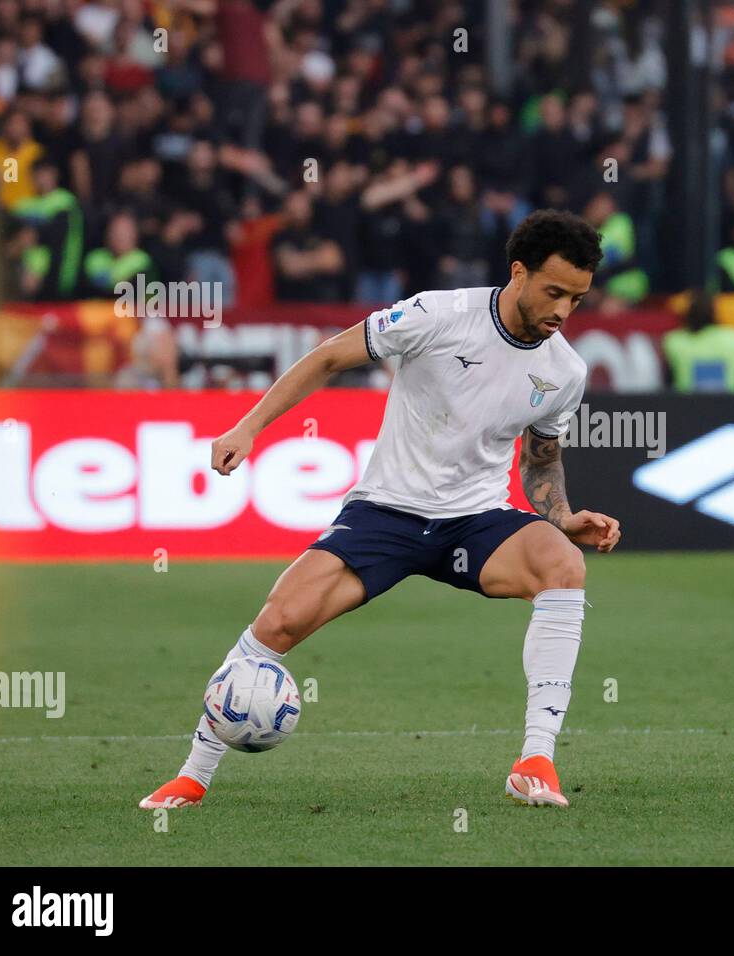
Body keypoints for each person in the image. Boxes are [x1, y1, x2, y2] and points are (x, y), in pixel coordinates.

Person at [139, 210, 621, 811]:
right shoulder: (437, 315)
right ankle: (194, 774)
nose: (563, 312)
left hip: (474, 521)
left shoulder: (564, 370)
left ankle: (536, 760)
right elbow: (328, 359)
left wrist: (561, 518)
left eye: (577, 298)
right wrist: (250, 426)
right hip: (386, 513)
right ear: (518, 273)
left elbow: (541, 459)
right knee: (280, 621)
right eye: (554, 292)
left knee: (563, 565)